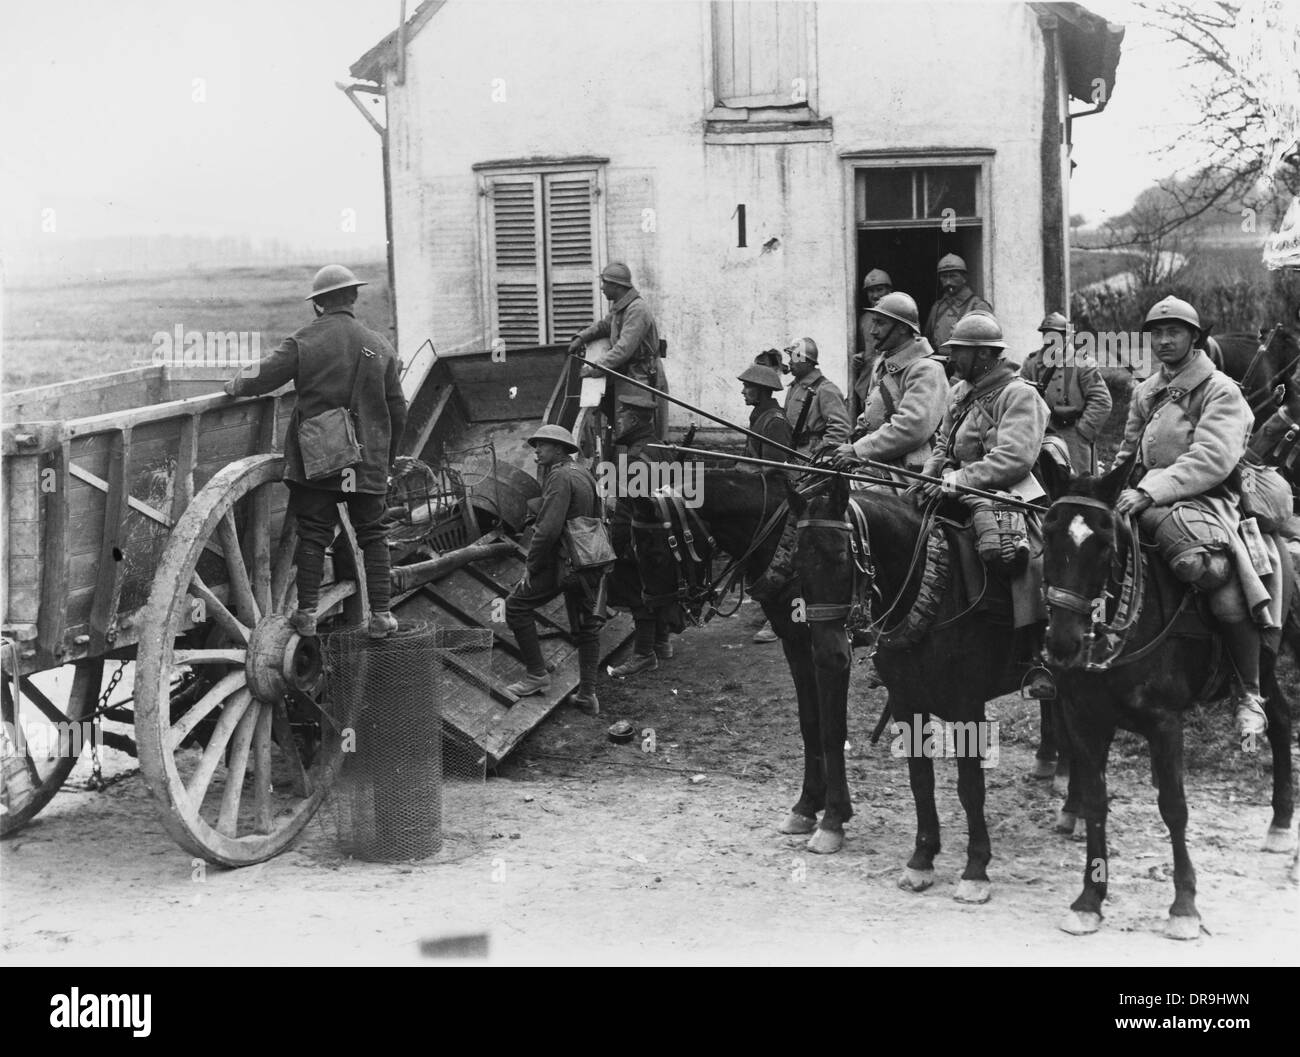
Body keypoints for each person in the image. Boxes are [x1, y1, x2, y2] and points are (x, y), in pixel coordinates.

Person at [223, 264, 407, 639]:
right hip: (366, 462)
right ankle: (382, 615)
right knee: (372, 534)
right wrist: (385, 463)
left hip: (319, 459)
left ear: (318, 305)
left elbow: (260, 378)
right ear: (353, 298)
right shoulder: (381, 347)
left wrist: (234, 384)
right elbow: (398, 411)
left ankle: (306, 612)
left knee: (313, 533)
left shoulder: (304, 342)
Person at [1112, 297, 1267, 741]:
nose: (1163, 341)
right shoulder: (1146, 391)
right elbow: (1128, 453)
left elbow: (1213, 457)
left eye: (1173, 332)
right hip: (1147, 496)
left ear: (1194, 337)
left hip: (1208, 497)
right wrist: (1106, 489)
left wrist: (1149, 490)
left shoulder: (1220, 389)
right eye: (1156, 333)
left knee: (1210, 574)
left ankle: (1250, 691)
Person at [914, 312, 1053, 697]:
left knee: (1018, 552)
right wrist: (930, 476)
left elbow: (1014, 459)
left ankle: (1034, 655)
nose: (953, 359)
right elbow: (943, 445)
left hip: (1009, 491)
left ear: (984, 355)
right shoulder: (960, 391)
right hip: (952, 486)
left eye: (959, 351)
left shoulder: (1020, 394)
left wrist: (957, 480)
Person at [504, 424, 606, 716]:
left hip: (565, 561)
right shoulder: (583, 472)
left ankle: (536, 675)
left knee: (516, 606)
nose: (537, 450)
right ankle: (588, 695)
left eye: (543, 445)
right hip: (590, 559)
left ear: (559, 450)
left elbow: (548, 530)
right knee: (587, 626)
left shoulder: (558, 476)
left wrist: (531, 565)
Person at [834, 291, 948, 491]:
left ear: (903, 328)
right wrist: (851, 443)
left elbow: (912, 428)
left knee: (849, 502)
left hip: (909, 471)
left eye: (880, 323)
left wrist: (858, 450)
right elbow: (868, 417)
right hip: (876, 461)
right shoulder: (883, 363)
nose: (872, 331)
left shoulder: (926, 369)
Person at [606, 410, 675, 678]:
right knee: (657, 585)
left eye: (620, 421)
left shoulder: (636, 456)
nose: (616, 426)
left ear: (634, 422)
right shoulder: (661, 448)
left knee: (637, 591)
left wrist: (618, 541)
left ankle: (644, 654)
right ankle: (662, 642)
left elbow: (629, 507)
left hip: (639, 533)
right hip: (663, 530)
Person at [569, 262, 665, 455]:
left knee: (636, 427)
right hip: (627, 373)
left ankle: (641, 469)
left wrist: (595, 368)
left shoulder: (637, 310)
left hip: (641, 377)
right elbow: (605, 325)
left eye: (605, 283)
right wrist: (582, 337)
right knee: (622, 425)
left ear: (617, 286)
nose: (602, 287)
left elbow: (623, 349)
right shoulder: (621, 307)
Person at [1019, 312, 1112, 475]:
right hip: (1041, 435)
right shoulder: (1032, 364)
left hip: (1073, 436)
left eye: (1057, 335)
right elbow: (1020, 398)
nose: (1050, 339)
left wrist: (1083, 432)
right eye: (1046, 334)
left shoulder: (1083, 363)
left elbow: (1101, 401)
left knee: (1080, 484)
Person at [782, 337, 851, 458]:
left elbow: (841, 428)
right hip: (792, 451)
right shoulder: (794, 387)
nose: (790, 362)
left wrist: (821, 451)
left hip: (811, 457)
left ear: (808, 362)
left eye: (796, 357)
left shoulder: (825, 389)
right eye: (791, 357)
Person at [923, 253, 993, 352]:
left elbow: (989, 346)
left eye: (953, 276)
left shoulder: (978, 306)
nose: (948, 282)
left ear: (964, 278)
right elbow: (927, 340)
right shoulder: (937, 307)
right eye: (944, 277)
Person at [853, 268, 894, 419]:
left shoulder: (901, 314)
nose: (875, 295)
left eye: (880, 289)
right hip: (868, 380)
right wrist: (859, 356)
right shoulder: (864, 320)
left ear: (889, 290)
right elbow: (864, 348)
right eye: (871, 291)